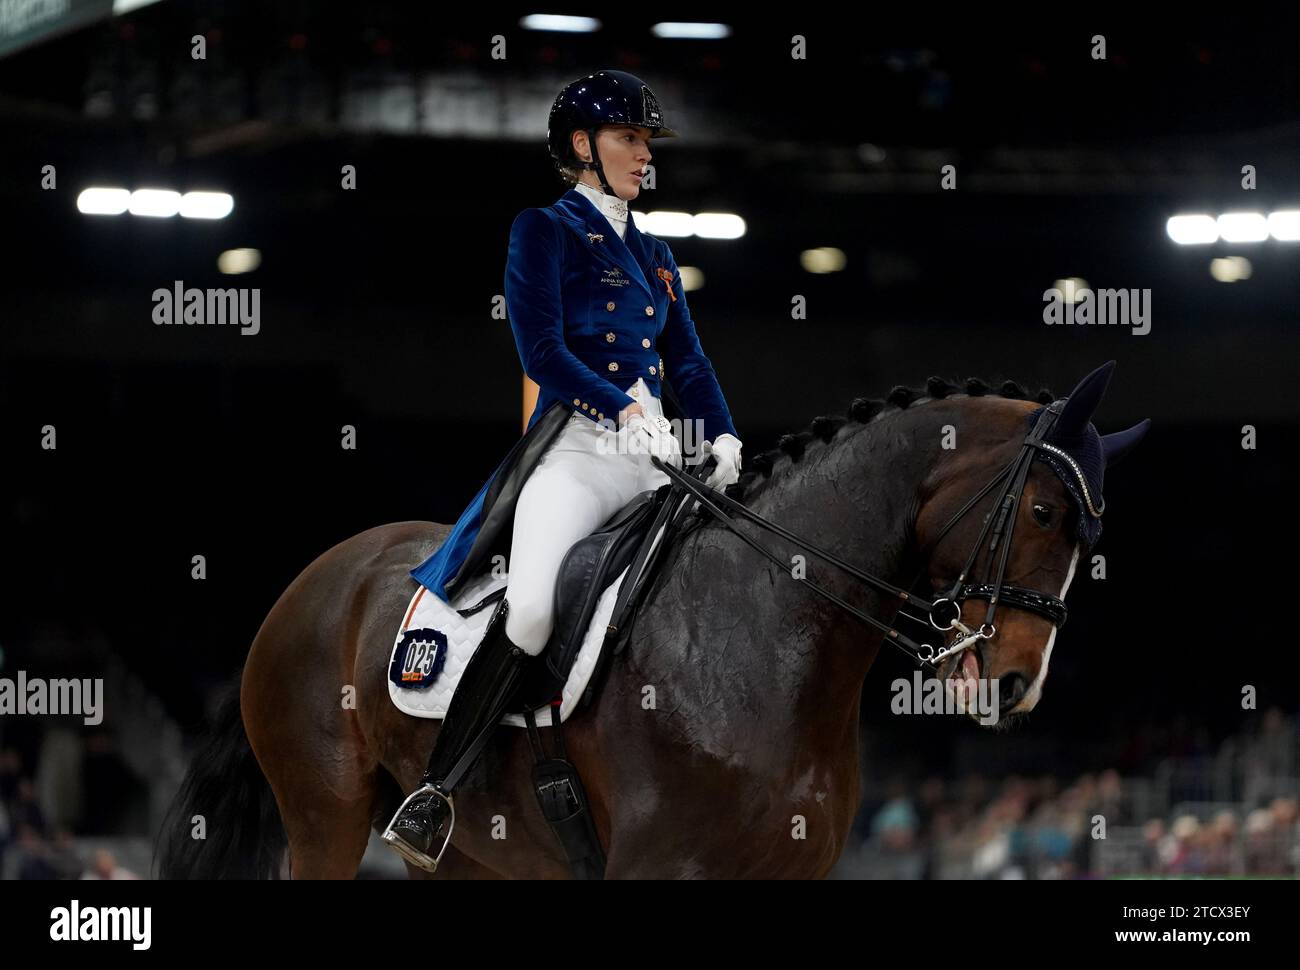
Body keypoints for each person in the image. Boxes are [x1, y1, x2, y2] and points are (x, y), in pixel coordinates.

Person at [385, 70, 743, 871]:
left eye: (648, 141)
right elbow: (540, 350)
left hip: (654, 457)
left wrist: (721, 436)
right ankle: (438, 789)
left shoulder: (655, 253)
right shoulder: (542, 230)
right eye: (629, 138)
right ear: (582, 147)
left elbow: (689, 360)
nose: (645, 154)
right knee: (536, 607)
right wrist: (621, 411)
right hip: (579, 451)